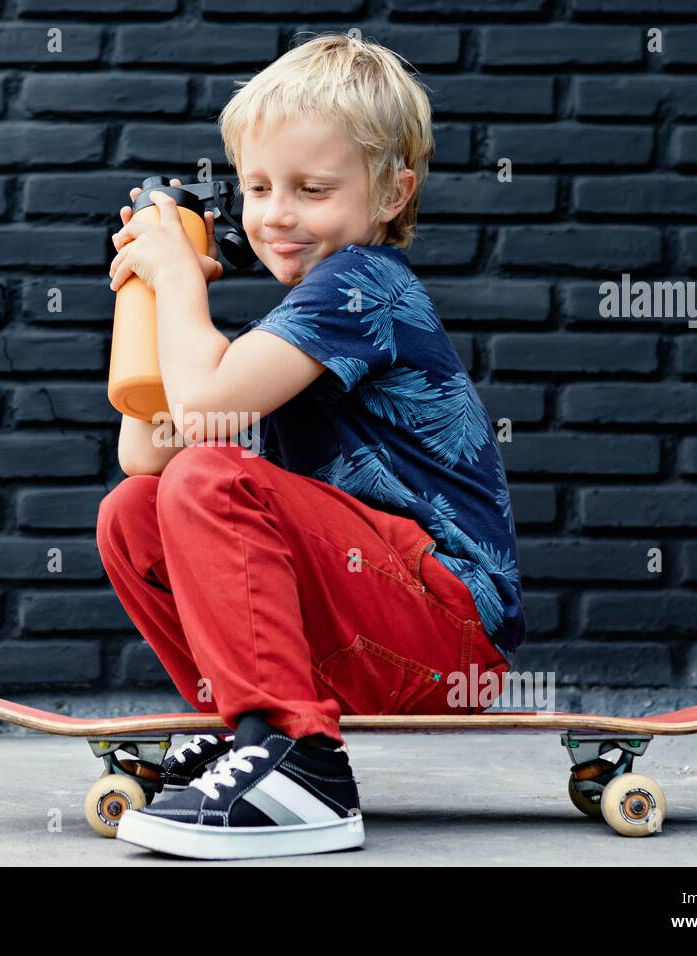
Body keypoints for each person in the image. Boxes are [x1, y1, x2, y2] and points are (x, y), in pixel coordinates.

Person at [97, 33, 525, 860]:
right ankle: (254, 728)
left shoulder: (362, 281)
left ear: (393, 193)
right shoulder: (280, 339)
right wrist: (149, 304)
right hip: (368, 621)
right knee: (135, 511)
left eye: (313, 188)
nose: (277, 214)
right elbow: (149, 450)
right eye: (256, 187)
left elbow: (206, 410)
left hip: (445, 630)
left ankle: (300, 769)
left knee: (212, 478)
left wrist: (181, 284)